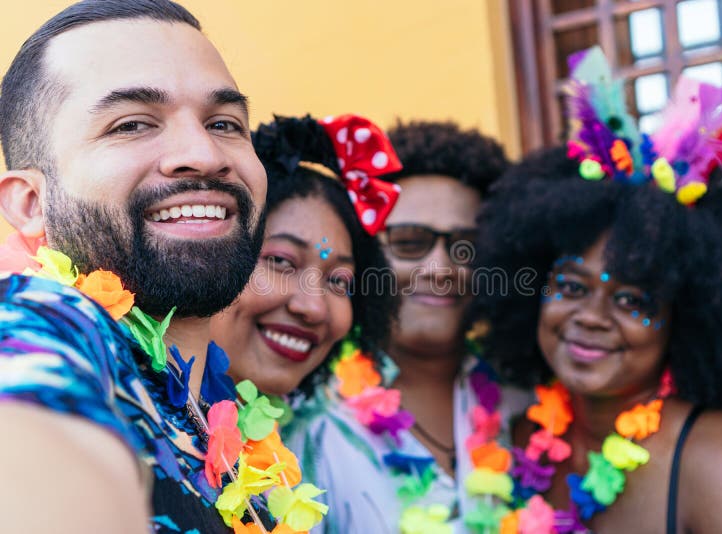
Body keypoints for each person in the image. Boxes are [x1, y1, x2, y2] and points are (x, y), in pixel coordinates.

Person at [0, 2, 324, 532]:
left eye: (224, 123)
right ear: (32, 205)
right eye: (131, 124)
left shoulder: (235, 429)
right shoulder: (40, 320)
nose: (204, 153)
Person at [470, 47, 722, 533]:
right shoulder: (516, 444)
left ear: (683, 320)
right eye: (570, 286)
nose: (592, 315)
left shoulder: (720, 458)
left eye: (633, 300)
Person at [284, 121, 533, 533]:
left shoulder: (525, 401)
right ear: (364, 254)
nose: (440, 270)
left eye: (466, 246)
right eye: (409, 242)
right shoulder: (308, 416)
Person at [210, 114, 397, 397]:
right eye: (282, 261)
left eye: (338, 281)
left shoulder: (310, 435)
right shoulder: (127, 403)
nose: (313, 308)